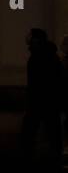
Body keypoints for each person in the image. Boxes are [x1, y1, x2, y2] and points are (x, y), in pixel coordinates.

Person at [21, 28, 64, 161]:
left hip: (41, 99)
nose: (26, 37)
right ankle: (54, 152)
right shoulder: (46, 54)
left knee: (34, 128)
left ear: (35, 39)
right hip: (45, 99)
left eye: (29, 35)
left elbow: (40, 81)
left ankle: (28, 154)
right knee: (51, 127)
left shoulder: (40, 56)